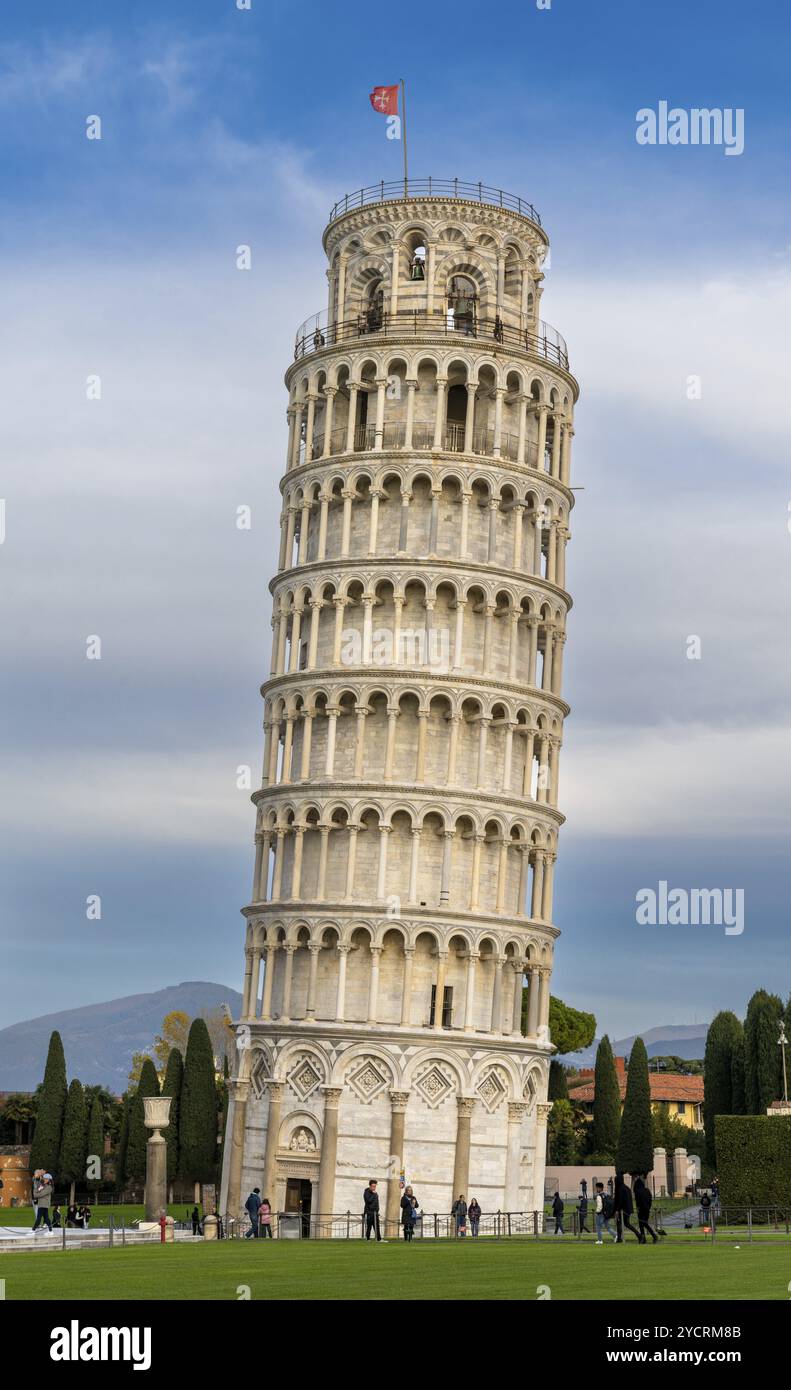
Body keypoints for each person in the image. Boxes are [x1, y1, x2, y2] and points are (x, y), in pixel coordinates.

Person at [615, 1176, 642, 1242]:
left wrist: (617, 1209)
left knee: (620, 1223)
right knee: (626, 1223)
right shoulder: (627, 1188)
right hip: (628, 1209)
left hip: (623, 1210)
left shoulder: (620, 1189)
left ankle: (619, 1238)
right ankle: (638, 1235)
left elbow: (620, 1200)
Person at [633, 1177, 659, 1244]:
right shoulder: (647, 1190)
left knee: (642, 1224)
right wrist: (648, 1207)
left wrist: (638, 1208)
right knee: (644, 1223)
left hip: (641, 1209)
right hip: (647, 1209)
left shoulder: (638, 1191)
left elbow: (638, 1202)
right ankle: (645, 1237)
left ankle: (649, 1236)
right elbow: (650, 1200)